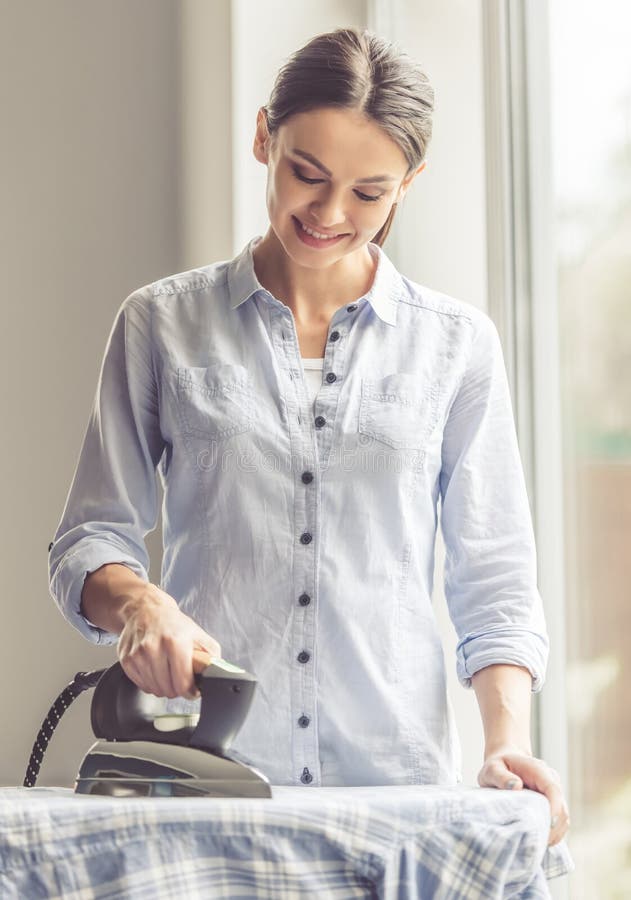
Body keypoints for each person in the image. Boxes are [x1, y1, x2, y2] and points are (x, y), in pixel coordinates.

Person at [48, 26, 569, 845]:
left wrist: (506, 742)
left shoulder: (457, 345)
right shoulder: (159, 324)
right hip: (208, 788)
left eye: (368, 192)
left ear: (408, 186)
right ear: (264, 137)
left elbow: (493, 578)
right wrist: (143, 605)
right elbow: (88, 538)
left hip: (395, 796)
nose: (329, 214)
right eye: (306, 174)